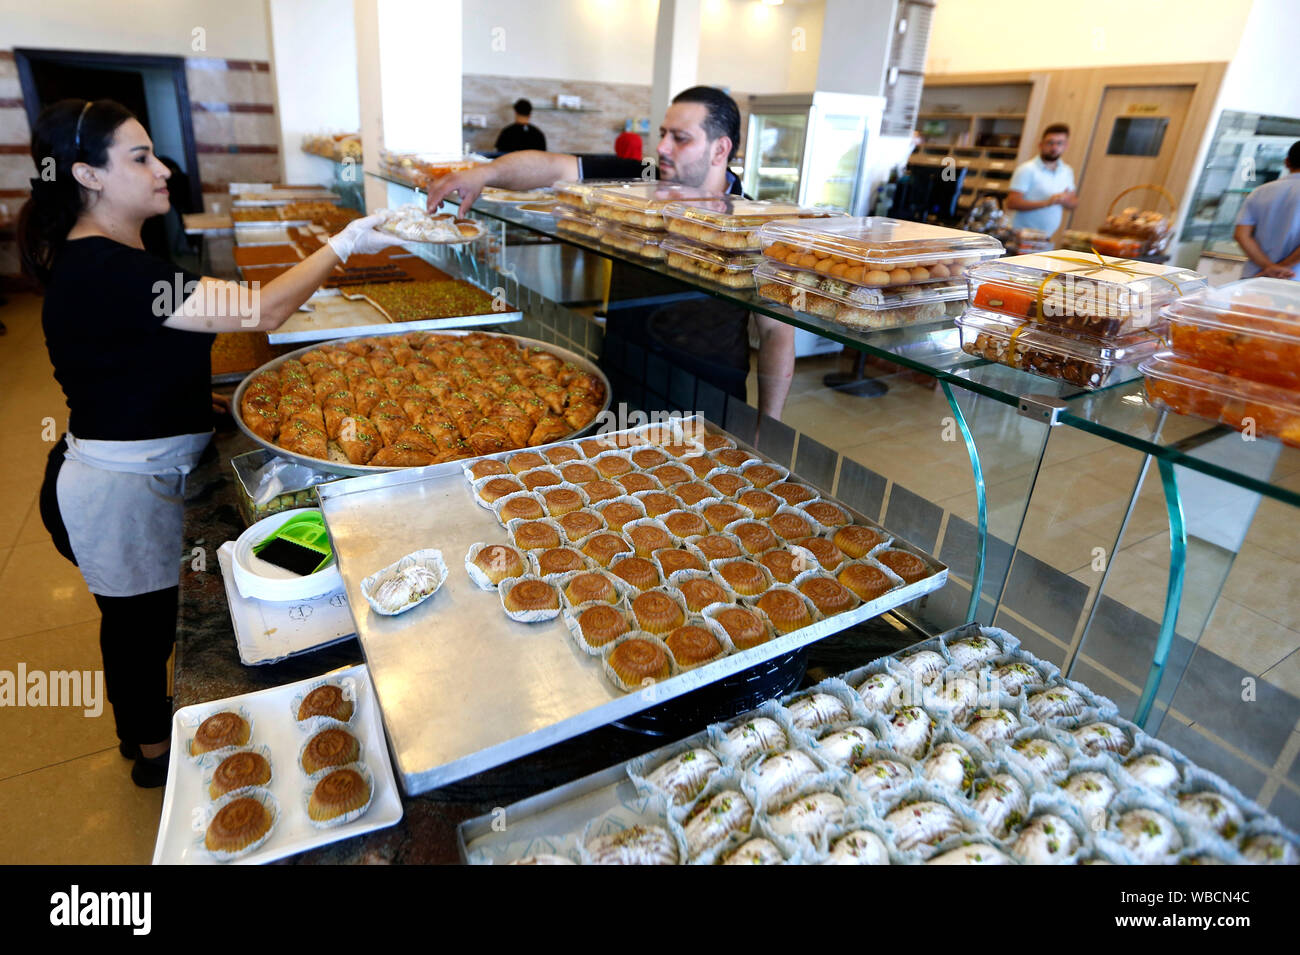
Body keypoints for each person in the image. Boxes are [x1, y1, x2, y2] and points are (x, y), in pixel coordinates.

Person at [20, 99, 402, 788]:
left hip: (149, 459)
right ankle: (147, 749)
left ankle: (143, 727)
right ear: (88, 175)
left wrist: (198, 399)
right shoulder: (108, 269)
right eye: (139, 157)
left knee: (151, 615)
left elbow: (128, 351)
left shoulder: (118, 255)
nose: (163, 169)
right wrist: (344, 245)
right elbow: (262, 308)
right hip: (118, 487)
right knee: (139, 627)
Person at [428, 86, 795, 421]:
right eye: (663, 134)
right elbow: (552, 166)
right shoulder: (640, 178)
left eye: (680, 139)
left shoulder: (756, 225)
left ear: (720, 149)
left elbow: (777, 333)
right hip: (622, 381)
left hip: (707, 400)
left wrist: (769, 425)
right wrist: (484, 173)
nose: (663, 148)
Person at [1233, 140, 1300, 280]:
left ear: (1287, 162)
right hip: (1293, 280)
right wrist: (1282, 268)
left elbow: (1241, 235)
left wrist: (1269, 267)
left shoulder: (1259, 191)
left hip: (1255, 276)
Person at [1004, 124, 1077, 237]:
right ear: (1041, 145)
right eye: (1050, 143)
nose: (1054, 148)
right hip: (1019, 237)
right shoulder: (1027, 169)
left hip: (1046, 238)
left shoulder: (1067, 171)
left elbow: (1073, 203)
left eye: (1059, 143)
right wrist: (1046, 203)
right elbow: (1012, 203)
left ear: (1065, 146)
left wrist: (1064, 199)